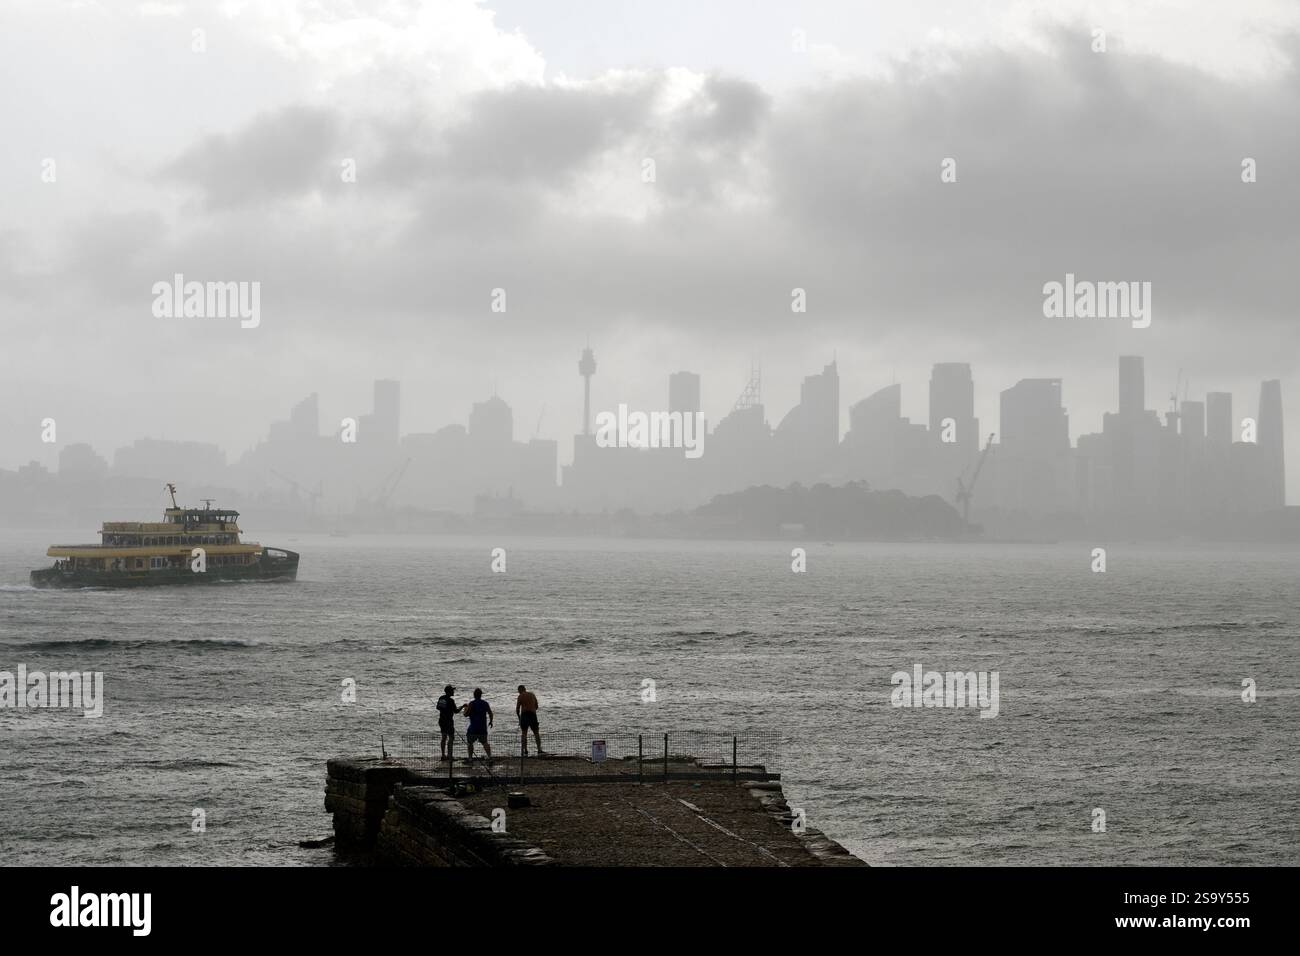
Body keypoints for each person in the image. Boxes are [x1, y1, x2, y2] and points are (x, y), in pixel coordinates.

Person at [464, 687, 493, 762]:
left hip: (473, 728)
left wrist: (465, 709)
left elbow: (466, 714)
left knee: (470, 743)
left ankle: (470, 758)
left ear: (474, 695)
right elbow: (490, 713)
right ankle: (490, 757)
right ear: (481, 695)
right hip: (482, 727)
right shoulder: (485, 703)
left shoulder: (472, 703)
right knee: (485, 742)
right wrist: (491, 721)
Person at [516, 684, 543, 756]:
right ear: (525, 689)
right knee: (536, 733)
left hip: (524, 715)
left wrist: (519, 718)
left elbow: (517, 709)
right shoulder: (532, 694)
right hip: (532, 714)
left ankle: (525, 751)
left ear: (519, 690)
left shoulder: (520, 696)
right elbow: (536, 706)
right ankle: (539, 749)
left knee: (524, 733)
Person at [435, 684, 458, 761]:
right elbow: (456, 711)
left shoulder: (441, 698)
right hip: (449, 722)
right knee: (451, 738)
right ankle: (449, 756)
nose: (453, 691)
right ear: (449, 692)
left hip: (442, 721)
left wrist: (444, 708)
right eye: (452, 690)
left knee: (444, 738)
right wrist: (463, 706)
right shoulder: (451, 701)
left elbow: (438, 707)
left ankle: (443, 755)